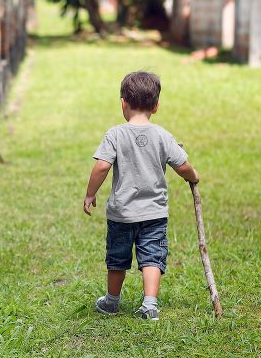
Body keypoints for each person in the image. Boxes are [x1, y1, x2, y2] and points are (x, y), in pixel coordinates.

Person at [82, 71, 199, 321]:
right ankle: (149, 304)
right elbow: (183, 166)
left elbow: (102, 166)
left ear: (123, 102)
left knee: (117, 259)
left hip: (121, 214)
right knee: (152, 258)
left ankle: (112, 301)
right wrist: (194, 177)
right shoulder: (163, 136)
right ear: (156, 106)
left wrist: (90, 194)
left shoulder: (115, 134)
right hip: (154, 213)